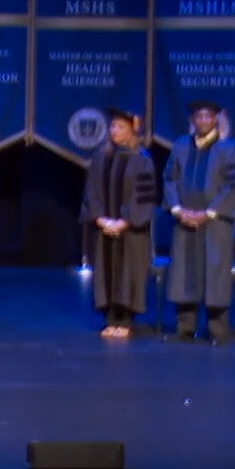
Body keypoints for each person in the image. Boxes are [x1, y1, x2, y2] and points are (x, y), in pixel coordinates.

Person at [163, 100, 235, 344]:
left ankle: (217, 331)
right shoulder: (180, 146)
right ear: (193, 120)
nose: (203, 121)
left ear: (216, 120)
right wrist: (178, 210)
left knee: (215, 274)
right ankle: (184, 328)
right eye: (198, 117)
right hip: (184, 221)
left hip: (215, 223)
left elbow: (233, 185)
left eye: (208, 117)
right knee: (184, 274)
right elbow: (169, 178)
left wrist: (208, 213)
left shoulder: (229, 148)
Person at [80, 109, 157, 342]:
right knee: (106, 272)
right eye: (112, 127)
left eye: (120, 127)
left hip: (130, 231)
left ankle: (125, 321)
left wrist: (124, 221)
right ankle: (111, 319)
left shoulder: (141, 159)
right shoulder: (100, 157)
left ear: (133, 130)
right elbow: (91, 191)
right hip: (105, 228)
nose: (115, 131)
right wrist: (100, 218)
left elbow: (142, 197)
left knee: (128, 273)